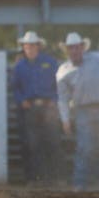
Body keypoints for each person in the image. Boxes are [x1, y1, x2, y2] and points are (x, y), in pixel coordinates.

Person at [56, 32, 99, 192]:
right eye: (71, 47)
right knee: (84, 148)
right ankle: (80, 187)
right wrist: (65, 119)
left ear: (82, 47)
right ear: (67, 50)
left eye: (77, 47)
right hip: (83, 111)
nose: (74, 50)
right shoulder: (64, 71)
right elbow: (63, 99)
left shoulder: (97, 58)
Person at [10, 31, 63, 185]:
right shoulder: (19, 66)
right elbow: (15, 88)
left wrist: (54, 99)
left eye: (32, 45)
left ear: (38, 46)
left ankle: (56, 178)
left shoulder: (50, 62)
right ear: (24, 47)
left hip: (48, 107)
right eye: (27, 45)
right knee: (31, 144)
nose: (30, 48)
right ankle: (33, 178)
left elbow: (59, 84)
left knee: (53, 141)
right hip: (29, 108)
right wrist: (22, 100)